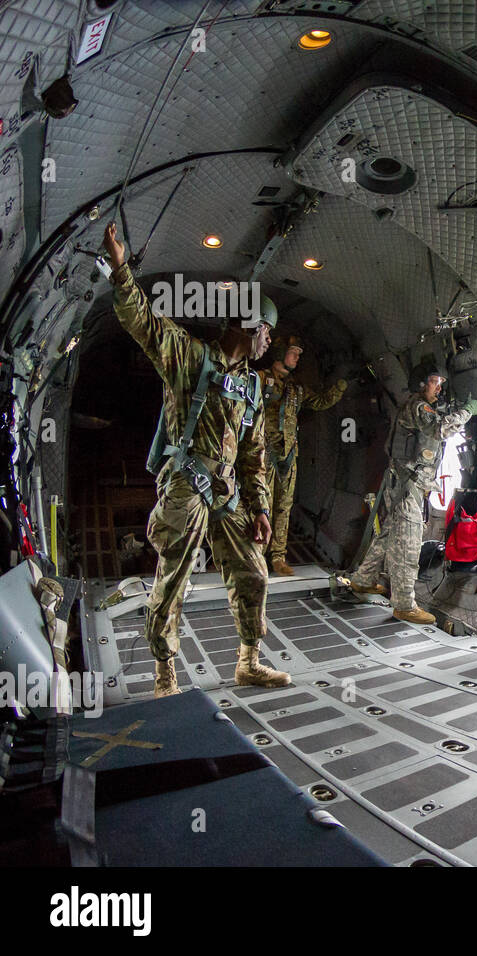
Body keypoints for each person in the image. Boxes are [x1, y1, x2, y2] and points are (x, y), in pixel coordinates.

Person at [103, 222, 290, 697]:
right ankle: (165, 675)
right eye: (266, 332)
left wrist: (263, 508)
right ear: (248, 325)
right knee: (174, 579)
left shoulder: (251, 386)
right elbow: (143, 324)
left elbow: (254, 456)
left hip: (228, 491)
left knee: (253, 570)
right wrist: (122, 271)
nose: (270, 343)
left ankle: (249, 662)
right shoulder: (189, 356)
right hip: (186, 484)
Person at [348, 360, 476, 624]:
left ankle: (362, 580)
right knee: (408, 544)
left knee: (388, 536)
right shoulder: (418, 407)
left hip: (409, 485)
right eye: (434, 382)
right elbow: (440, 430)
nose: (439, 388)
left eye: (441, 383)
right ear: (421, 383)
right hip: (408, 487)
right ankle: (404, 604)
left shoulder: (422, 407)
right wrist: (467, 412)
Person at [259, 335, 347, 576]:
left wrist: (340, 385)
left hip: (286, 457)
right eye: (293, 352)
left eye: (299, 353)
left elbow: (319, 402)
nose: (298, 357)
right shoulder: (258, 380)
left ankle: (277, 557)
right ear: (279, 353)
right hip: (260, 457)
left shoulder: (295, 389)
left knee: (283, 507)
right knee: (258, 507)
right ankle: (255, 555)